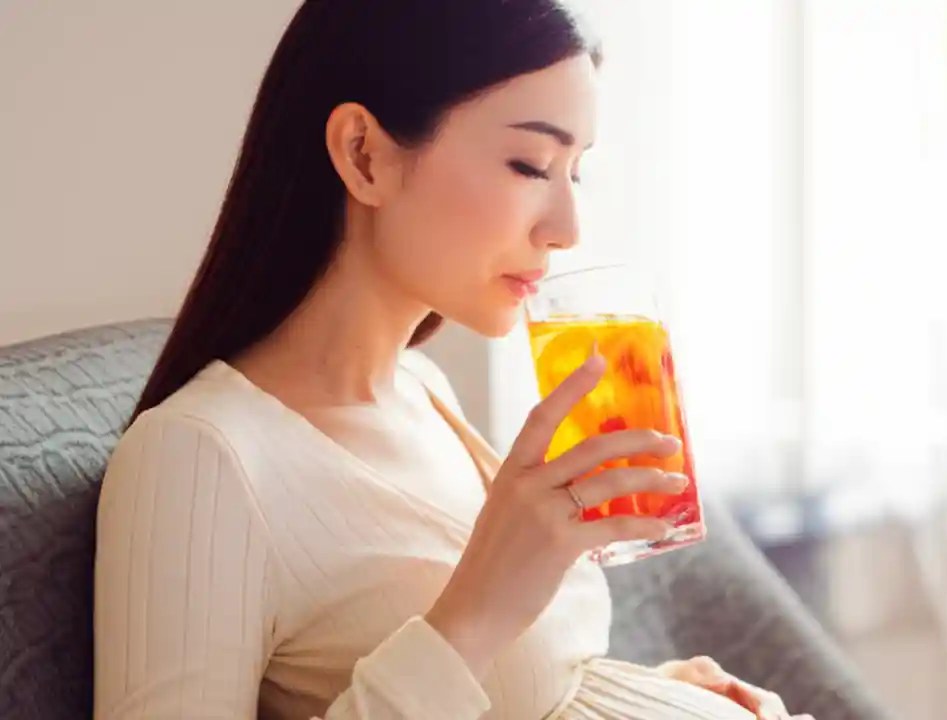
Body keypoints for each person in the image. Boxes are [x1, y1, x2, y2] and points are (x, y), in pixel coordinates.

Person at [93, 1, 812, 718]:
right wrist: (477, 611)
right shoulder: (198, 459)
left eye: (575, 173)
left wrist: (642, 689)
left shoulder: (420, 390)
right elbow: (461, 644)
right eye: (531, 165)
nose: (566, 230)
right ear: (363, 155)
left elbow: (498, 691)